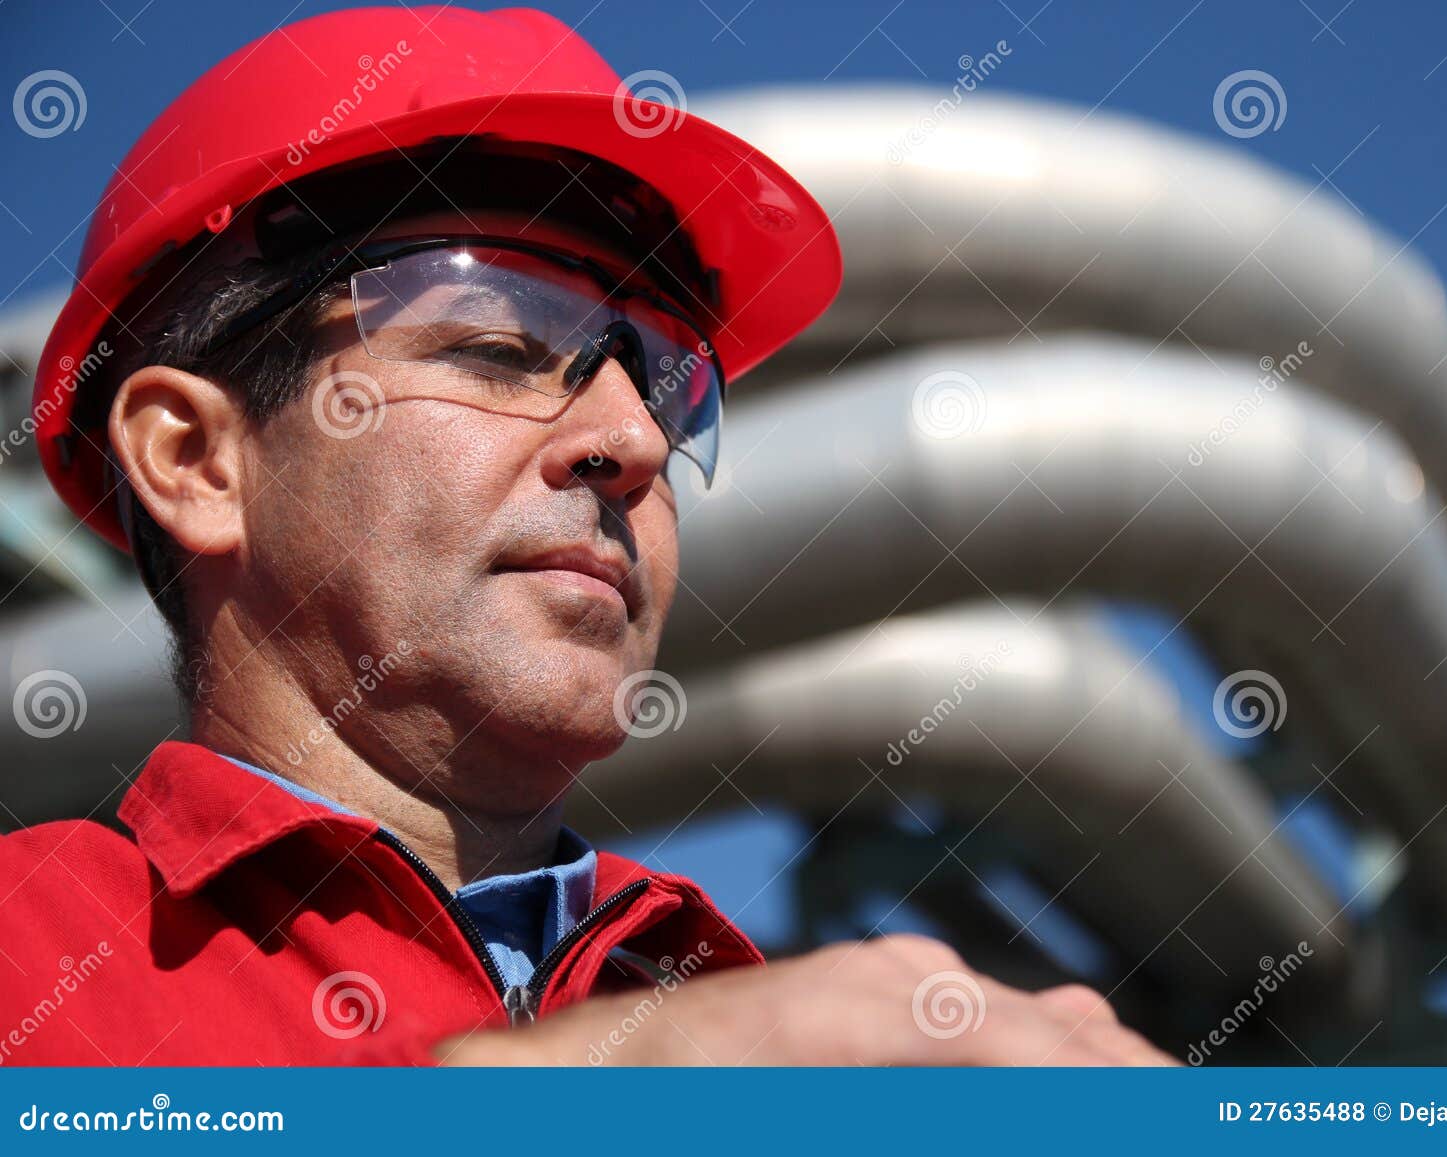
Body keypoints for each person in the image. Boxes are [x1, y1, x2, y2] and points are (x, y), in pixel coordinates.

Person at [5, 6, 1174, 1067]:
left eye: (666, 388)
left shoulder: (742, 1003)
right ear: (196, 460)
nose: (634, 440)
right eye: (499, 345)